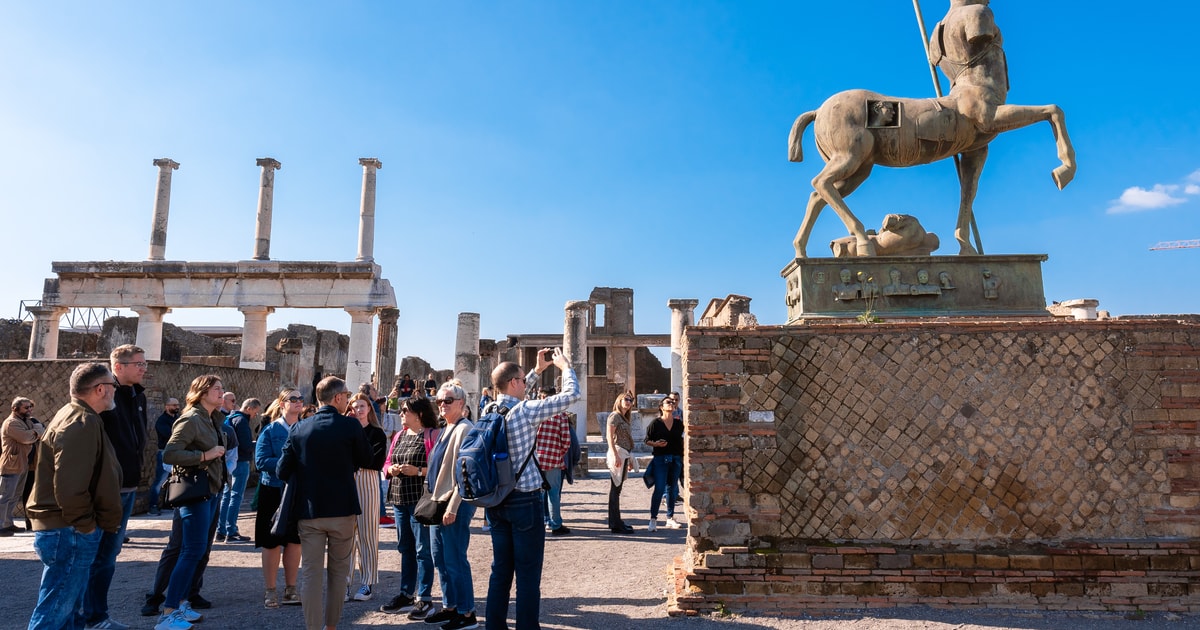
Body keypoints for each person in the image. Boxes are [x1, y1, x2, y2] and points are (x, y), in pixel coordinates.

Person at [485, 348, 580, 630]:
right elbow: (571, 396)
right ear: (515, 383)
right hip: (524, 501)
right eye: (523, 381)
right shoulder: (525, 411)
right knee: (527, 575)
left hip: (496, 500)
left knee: (500, 572)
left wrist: (537, 371)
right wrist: (565, 367)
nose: (526, 384)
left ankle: (494, 626)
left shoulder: (489, 410)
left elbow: (513, 391)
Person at [26, 362, 123, 630]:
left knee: (66, 611)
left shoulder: (80, 416)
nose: (115, 390)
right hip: (69, 529)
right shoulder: (81, 421)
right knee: (55, 612)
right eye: (113, 385)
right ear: (100, 389)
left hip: (68, 528)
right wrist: (85, 525)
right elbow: (70, 485)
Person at [276, 376, 372, 630]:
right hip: (342, 509)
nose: (348, 400)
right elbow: (366, 458)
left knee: (310, 573)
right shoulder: (350, 426)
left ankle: (313, 627)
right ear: (338, 397)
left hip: (310, 510)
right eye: (347, 395)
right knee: (338, 573)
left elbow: (282, 470)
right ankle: (331, 626)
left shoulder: (299, 427)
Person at [154, 375, 229, 630]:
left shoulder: (212, 418)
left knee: (198, 550)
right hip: (195, 492)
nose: (221, 392)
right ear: (202, 392)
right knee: (191, 551)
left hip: (211, 490)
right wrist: (205, 455)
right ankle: (169, 612)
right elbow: (171, 453)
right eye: (216, 389)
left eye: (222, 388)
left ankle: (181, 603)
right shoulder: (191, 418)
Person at [83, 344, 149, 630]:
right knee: (98, 557)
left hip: (129, 485)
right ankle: (92, 617)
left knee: (109, 556)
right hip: (108, 488)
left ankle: (96, 615)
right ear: (118, 367)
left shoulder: (138, 395)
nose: (144, 368)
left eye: (144, 363)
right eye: (139, 364)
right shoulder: (105, 396)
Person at [423, 379, 478, 630]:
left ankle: (467, 614)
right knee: (440, 558)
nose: (442, 405)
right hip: (438, 501)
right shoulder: (447, 427)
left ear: (461, 403)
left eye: (448, 400)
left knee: (455, 559)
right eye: (439, 401)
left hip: (454, 503)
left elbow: (464, 473)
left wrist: (453, 506)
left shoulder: (465, 428)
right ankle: (450, 607)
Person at [379, 396, 439, 619]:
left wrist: (418, 471)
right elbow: (386, 462)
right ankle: (406, 594)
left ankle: (424, 598)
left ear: (419, 414)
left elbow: (440, 468)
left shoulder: (432, 435)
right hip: (398, 499)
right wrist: (391, 469)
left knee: (422, 550)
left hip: (420, 501)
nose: (401, 414)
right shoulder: (400, 435)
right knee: (405, 548)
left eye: (405, 410)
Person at [254, 390, 304, 609]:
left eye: (301, 399)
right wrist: (288, 464)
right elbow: (261, 461)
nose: (298, 402)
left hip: (297, 490)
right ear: (282, 404)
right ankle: (271, 590)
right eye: (293, 399)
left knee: (295, 540)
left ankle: (291, 589)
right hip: (273, 489)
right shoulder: (270, 430)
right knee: (271, 540)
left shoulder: (305, 428)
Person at [346, 392, 388, 602]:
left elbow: (375, 462)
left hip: (368, 480)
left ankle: (367, 582)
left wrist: (354, 459)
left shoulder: (376, 433)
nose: (358, 410)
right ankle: (344, 583)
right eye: (354, 406)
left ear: (369, 408)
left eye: (362, 406)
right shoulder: (345, 431)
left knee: (367, 533)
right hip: (347, 480)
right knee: (345, 534)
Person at [217, 398, 261, 543]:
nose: (255, 415)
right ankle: (231, 531)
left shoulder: (231, 418)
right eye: (255, 412)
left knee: (227, 496)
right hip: (240, 462)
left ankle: (221, 530)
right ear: (249, 408)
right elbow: (246, 445)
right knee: (236, 496)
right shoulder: (241, 421)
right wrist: (259, 443)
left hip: (230, 462)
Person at [1, 396, 43, 535]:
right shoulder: (11, 423)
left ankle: (7, 524)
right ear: (15, 409)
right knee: (5, 496)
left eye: (30, 407)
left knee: (14, 496)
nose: (29, 409)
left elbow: (41, 431)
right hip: (11, 464)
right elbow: (26, 438)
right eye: (26, 407)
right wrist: (36, 432)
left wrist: (35, 431)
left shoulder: (26, 422)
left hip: (22, 464)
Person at [533, 387, 571, 536]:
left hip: (536, 460)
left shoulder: (535, 413)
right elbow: (566, 440)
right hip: (553, 459)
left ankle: (539, 522)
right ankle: (555, 524)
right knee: (553, 494)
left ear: (542, 397)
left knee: (536, 493)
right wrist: (558, 453)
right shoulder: (560, 415)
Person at [644, 397, 684, 531]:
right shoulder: (656, 423)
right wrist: (656, 444)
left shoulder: (679, 423)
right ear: (661, 407)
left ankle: (670, 518)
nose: (671, 404)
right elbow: (647, 440)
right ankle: (653, 519)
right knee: (659, 488)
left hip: (676, 458)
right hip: (660, 458)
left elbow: (683, 439)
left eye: (673, 402)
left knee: (672, 489)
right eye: (668, 402)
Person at [606, 390, 636, 534]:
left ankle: (617, 521)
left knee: (617, 489)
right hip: (618, 453)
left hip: (624, 454)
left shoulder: (624, 418)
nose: (629, 402)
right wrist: (615, 455)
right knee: (615, 489)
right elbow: (609, 436)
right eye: (626, 399)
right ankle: (615, 523)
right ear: (619, 401)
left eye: (631, 400)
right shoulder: (614, 416)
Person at [148, 398, 182, 516]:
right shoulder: (162, 421)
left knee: (174, 479)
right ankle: (152, 506)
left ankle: (168, 504)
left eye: (177, 405)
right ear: (167, 406)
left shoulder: (178, 419)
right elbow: (170, 435)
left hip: (176, 453)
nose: (176, 407)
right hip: (165, 453)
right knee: (160, 481)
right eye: (174, 405)